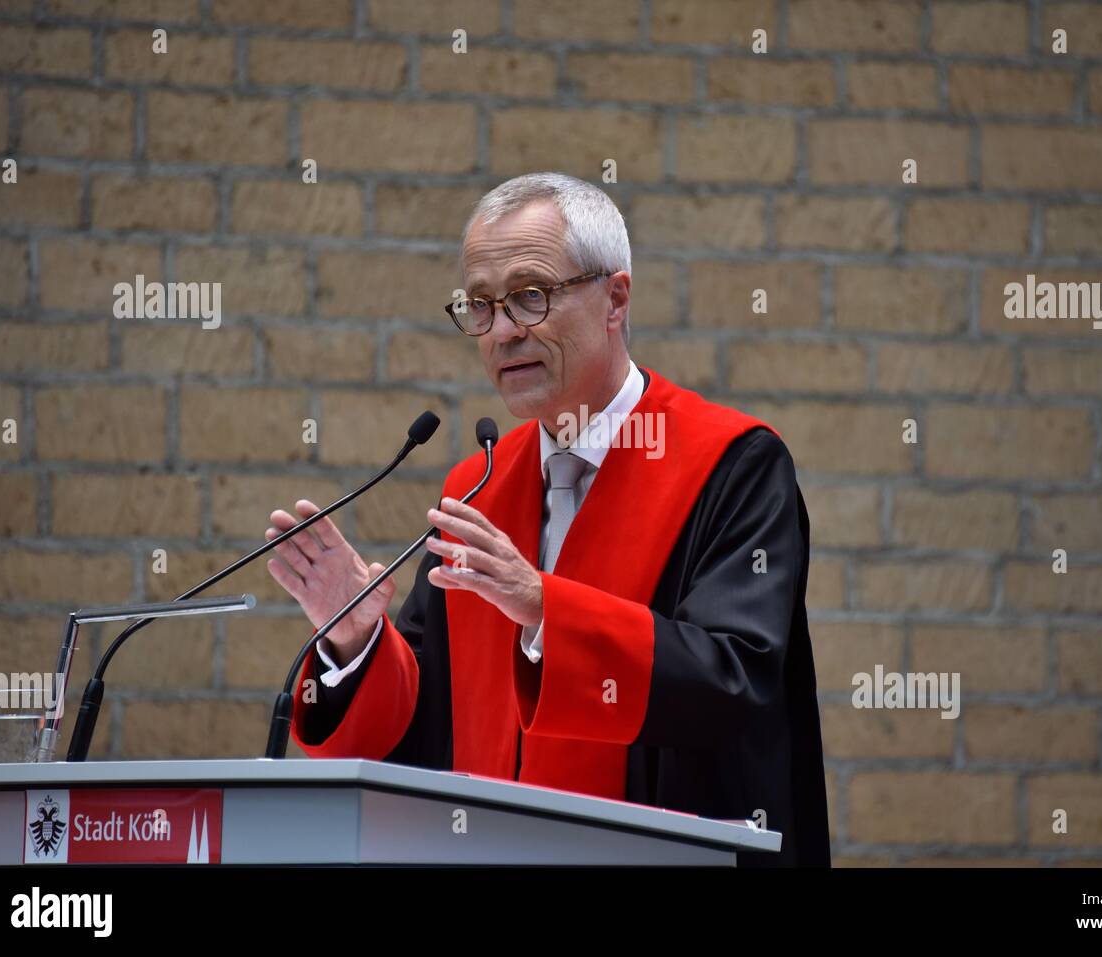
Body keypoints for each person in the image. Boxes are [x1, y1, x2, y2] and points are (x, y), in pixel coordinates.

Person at [265, 172, 829, 866]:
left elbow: (736, 680)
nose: (502, 332)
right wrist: (356, 641)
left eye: (531, 295)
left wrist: (543, 609)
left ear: (615, 299)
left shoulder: (731, 464)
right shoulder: (478, 487)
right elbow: (427, 719)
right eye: (480, 305)